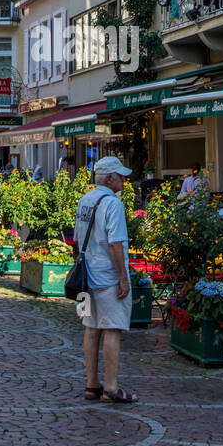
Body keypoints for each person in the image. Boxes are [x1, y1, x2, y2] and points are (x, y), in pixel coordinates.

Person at [76, 156, 137, 404]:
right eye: (120, 175)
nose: (124, 180)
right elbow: (115, 243)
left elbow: (79, 238)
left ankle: (92, 384)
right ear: (110, 178)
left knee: (91, 328)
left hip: (86, 276)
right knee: (112, 327)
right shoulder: (113, 204)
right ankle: (111, 387)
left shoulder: (85, 200)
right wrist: (123, 278)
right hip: (108, 275)